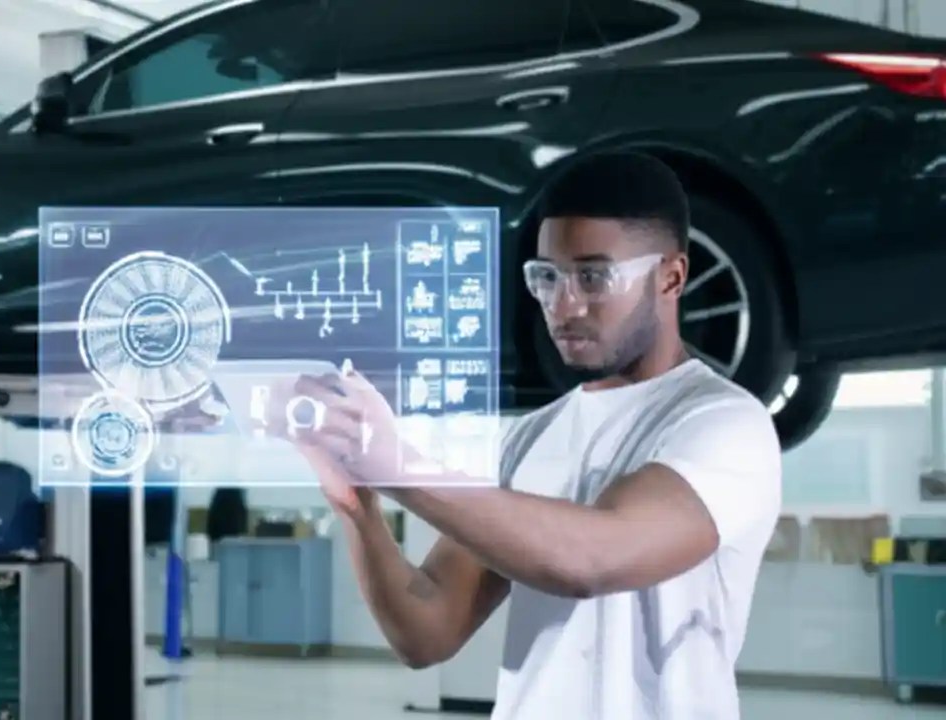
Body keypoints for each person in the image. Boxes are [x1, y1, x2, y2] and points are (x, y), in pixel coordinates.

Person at [281, 151, 783, 719]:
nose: (563, 305)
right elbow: (427, 632)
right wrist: (356, 504)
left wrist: (396, 465)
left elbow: (591, 559)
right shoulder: (530, 436)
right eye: (547, 277)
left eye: (593, 276)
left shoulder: (723, 422)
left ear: (671, 276)